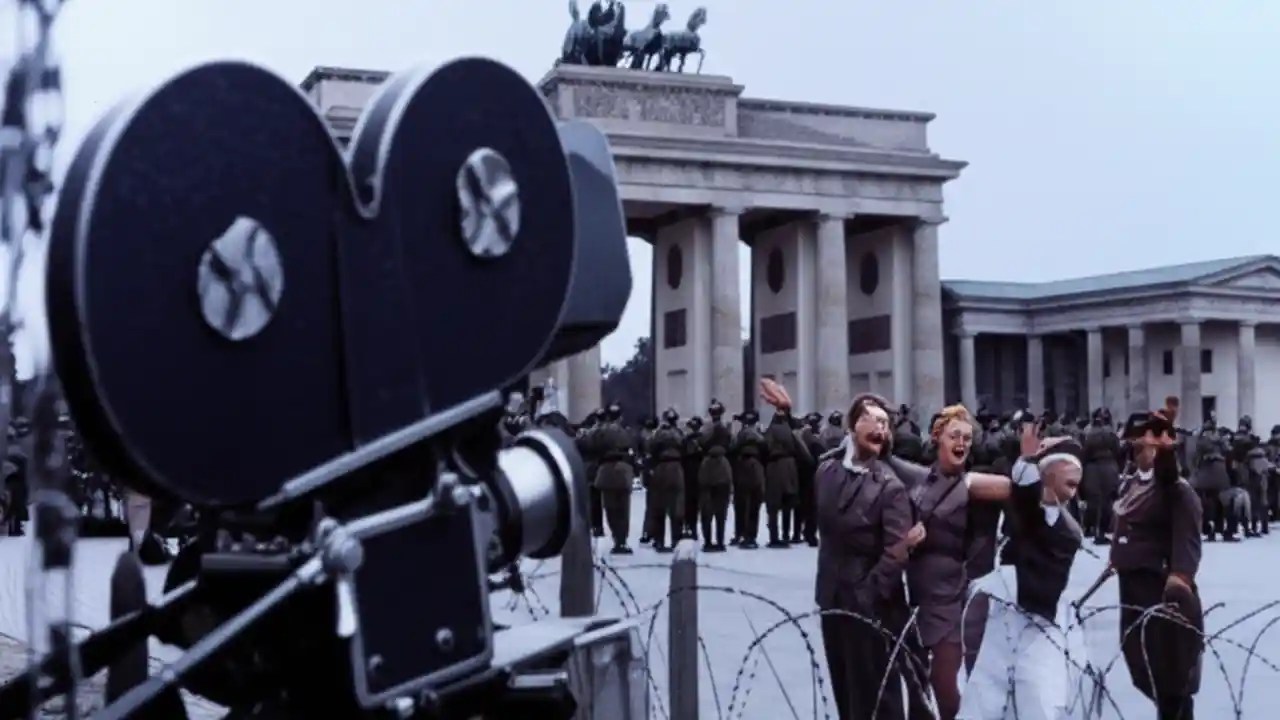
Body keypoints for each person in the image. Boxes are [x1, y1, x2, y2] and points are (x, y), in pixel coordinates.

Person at [761, 379, 921, 720]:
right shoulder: (828, 471)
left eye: (885, 424)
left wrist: (868, 594)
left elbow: (896, 551)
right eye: (873, 420)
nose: (881, 429)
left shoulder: (888, 486)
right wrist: (785, 416)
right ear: (852, 426)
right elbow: (803, 454)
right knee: (845, 689)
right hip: (832, 598)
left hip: (870, 604)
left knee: (877, 695)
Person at [1080, 408, 1203, 720]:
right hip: (1131, 589)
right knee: (1139, 663)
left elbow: (1187, 540)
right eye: (1133, 446)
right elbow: (1125, 524)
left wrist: (1180, 579)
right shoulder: (1131, 483)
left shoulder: (1175, 490)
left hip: (1161, 592)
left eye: (1145, 445)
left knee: (1171, 677)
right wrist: (1117, 557)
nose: (1137, 452)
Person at [958, 425, 1088, 720]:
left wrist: (999, 582)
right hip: (1005, 617)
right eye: (1069, 482)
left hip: (1041, 622)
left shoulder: (1068, 531)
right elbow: (1024, 495)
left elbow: (1045, 584)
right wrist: (1029, 459)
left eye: (1076, 483)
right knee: (987, 693)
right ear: (1048, 476)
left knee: (1039, 695)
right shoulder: (1026, 509)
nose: (1074, 490)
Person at [885, 405, 1004, 720]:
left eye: (967, 437)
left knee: (946, 690)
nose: (962, 442)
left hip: (949, 598)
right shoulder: (919, 478)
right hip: (913, 597)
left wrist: (1038, 463)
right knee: (918, 692)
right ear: (937, 438)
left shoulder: (971, 484)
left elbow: (1019, 488)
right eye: (955, 435)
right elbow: (884, 456)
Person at [763, 401, 812, 548]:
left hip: (774, 467)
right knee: (787, 503)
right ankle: (785, 535)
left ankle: (774, 537)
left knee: (773, 506)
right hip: (789, 467)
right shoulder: (790, 431)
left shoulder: (770, 430)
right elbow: (802, 451)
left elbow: (764, 448)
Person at [592, 402, 635, 554]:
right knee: (624, 508)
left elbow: (591, 446)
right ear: (621, 417)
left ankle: (617, 539)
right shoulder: (626, 431)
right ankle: (622, 540)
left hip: (606, 471)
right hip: (623, 471)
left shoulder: (599, 431)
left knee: (610, 509)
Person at [646, 408, 685, 552]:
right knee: (677, 506)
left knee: (659, 506)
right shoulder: (679, 433)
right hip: (676, 468)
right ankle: (676, 539)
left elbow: (650, 448)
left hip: (661, 468)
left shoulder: (659, 433)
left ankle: (659, 541)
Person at [1081, 407, 1121, 545]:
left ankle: (1091, 527)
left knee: (1094, 500)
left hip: (1093, 468)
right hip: (1109, 467)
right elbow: (1118, 452)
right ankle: (1101, 532)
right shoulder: (1112, 434)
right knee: (1106, 502)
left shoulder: (1089, 433)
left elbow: (1084, 453)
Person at [698, 400, 733, 552]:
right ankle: (718, 540)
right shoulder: (724, 429)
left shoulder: (706, 428)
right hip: (721, 467)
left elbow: (701, 442)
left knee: (709, 509)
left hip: (708, 468)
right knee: (719, 509)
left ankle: (710, 540)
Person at [731, 409, 766, 548]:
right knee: (754, 504)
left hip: (742, 469)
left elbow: (732, 448)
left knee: (742, 503)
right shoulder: (760, 435)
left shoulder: (741, 434)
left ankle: (741, 534)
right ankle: (751, 536)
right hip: (756, 468)